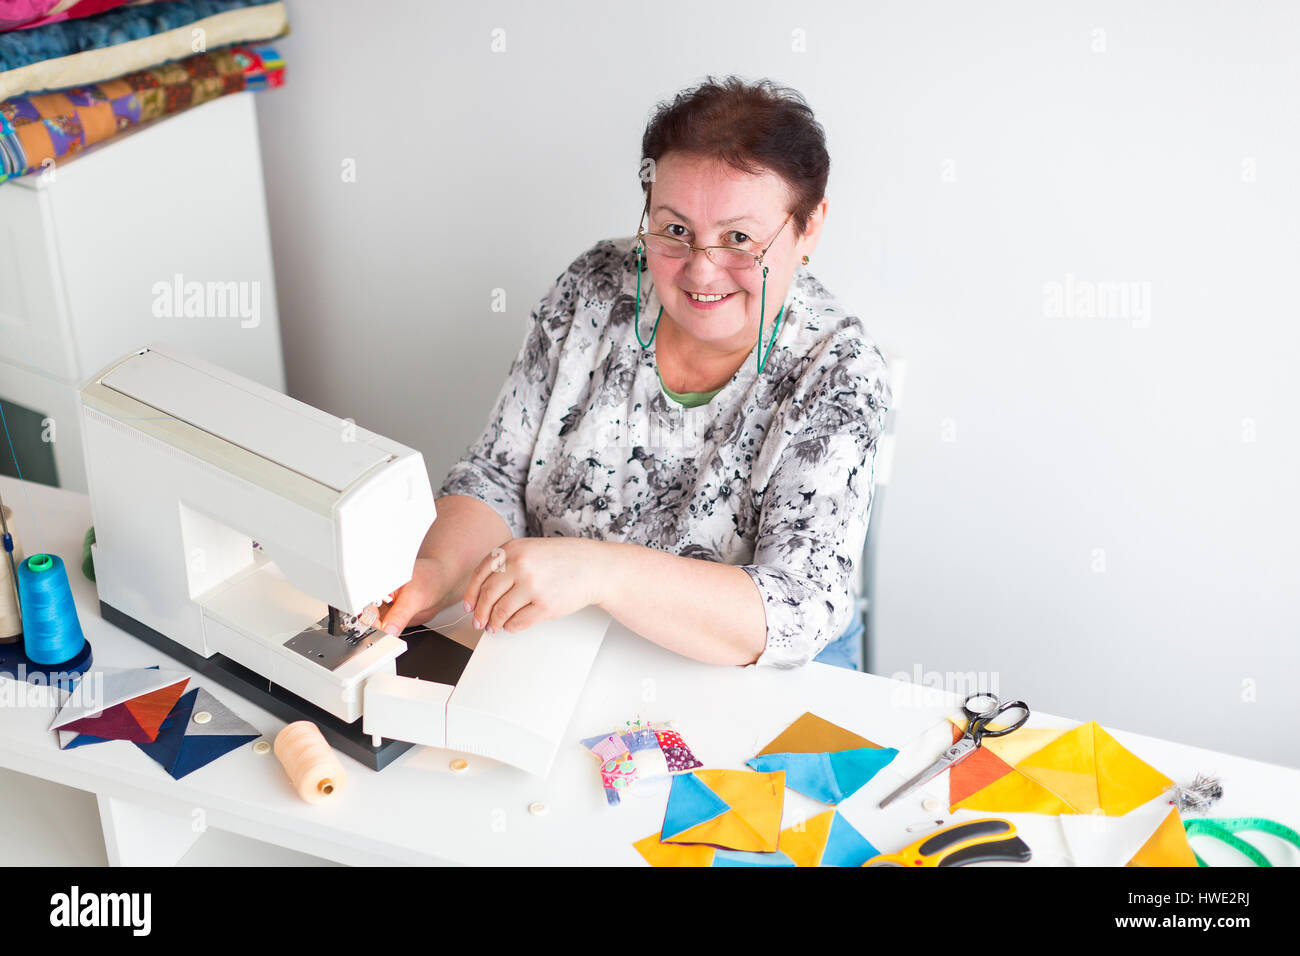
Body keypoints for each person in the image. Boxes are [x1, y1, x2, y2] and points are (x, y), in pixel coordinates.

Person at [371, 76, 892, 668]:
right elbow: (496, 476)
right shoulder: (596, 286)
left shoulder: (838, 373)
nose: (701, 271)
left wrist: (598, 572)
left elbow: (797, 611)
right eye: (675, 231)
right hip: (569, 650)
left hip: (746, 679)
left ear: (810, 227)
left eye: (739, 239)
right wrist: (437, 572)